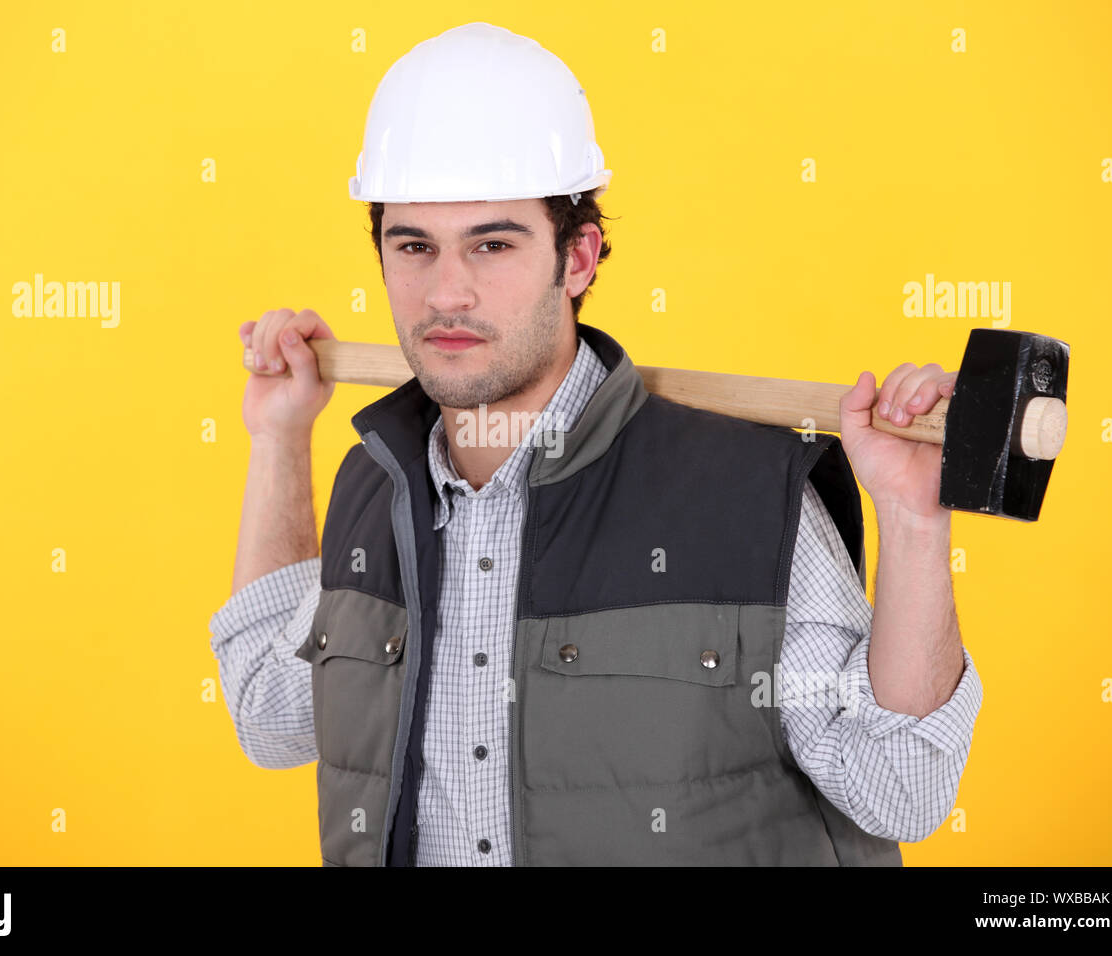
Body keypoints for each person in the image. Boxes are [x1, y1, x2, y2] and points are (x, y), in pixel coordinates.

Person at [208, 22, 981, 866]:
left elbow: (899, 785)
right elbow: (268, 718)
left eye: (493, 244)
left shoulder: (742, 498)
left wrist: (914, 521)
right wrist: (279, 439)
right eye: (414, 246)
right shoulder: (375, 483)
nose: (446, 291)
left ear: (577, 257)